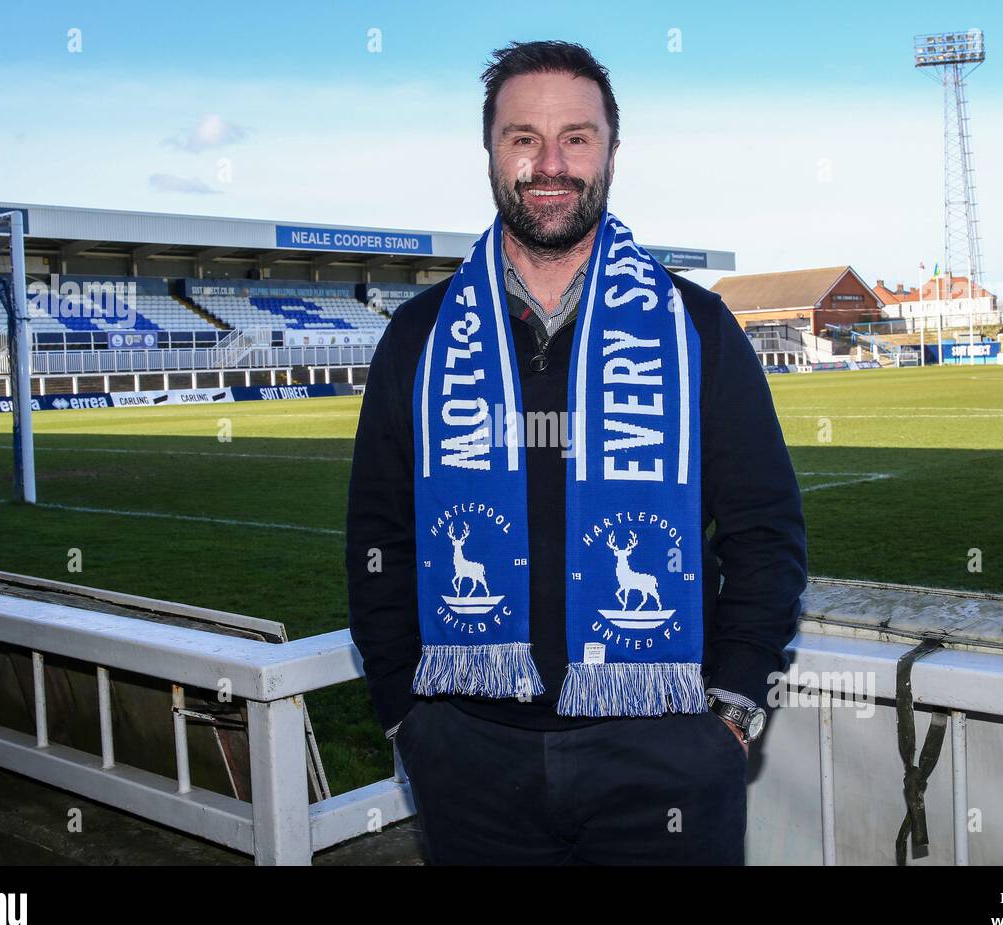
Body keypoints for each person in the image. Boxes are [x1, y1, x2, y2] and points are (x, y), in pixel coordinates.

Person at [345, 40, 806, 865]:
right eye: (524, 138)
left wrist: (729, 716)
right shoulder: (419, 337)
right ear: (490, 151)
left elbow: (765, 533)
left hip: (665, 759)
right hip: (468, 756)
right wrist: (406, 715)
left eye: (576, 138)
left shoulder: (695, 328)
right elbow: (378, 537)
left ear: (612, 153)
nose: (550, 163)